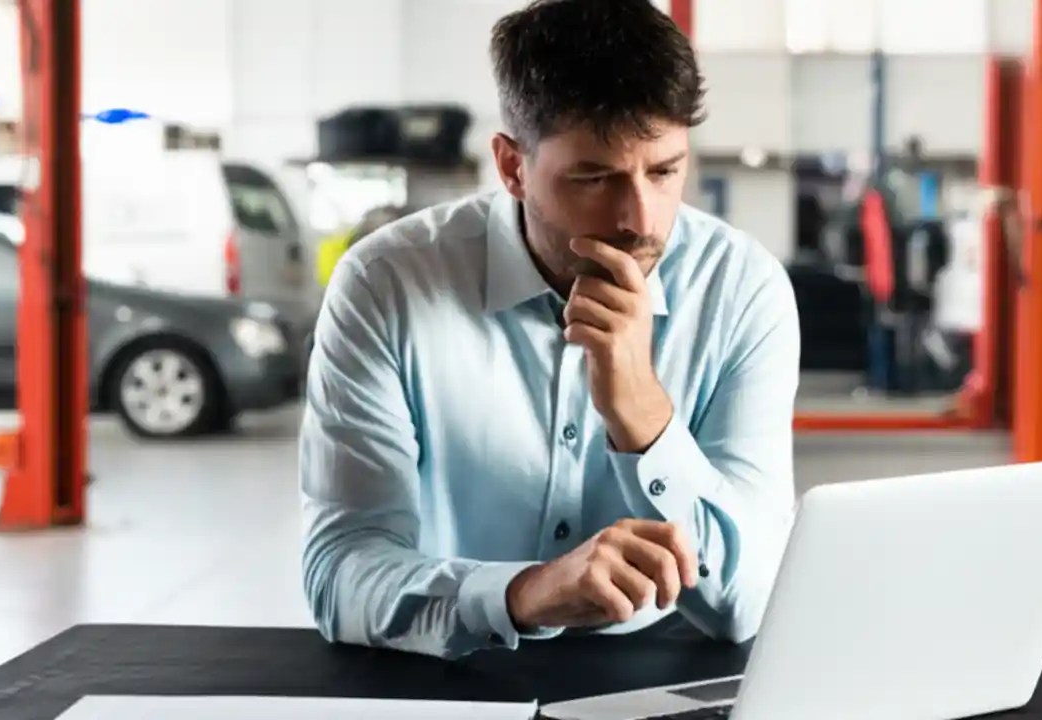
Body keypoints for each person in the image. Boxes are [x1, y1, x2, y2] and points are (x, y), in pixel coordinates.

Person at [299, 0, 801, 660]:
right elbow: (339, 576)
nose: (639, 219)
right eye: (594, 177)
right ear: (511, 167)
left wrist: (643, 417)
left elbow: (750, 601)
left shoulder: (743, 291)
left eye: (665, 170)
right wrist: (523, 595)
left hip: (656, 671)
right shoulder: (386, 285)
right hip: (449, 672)